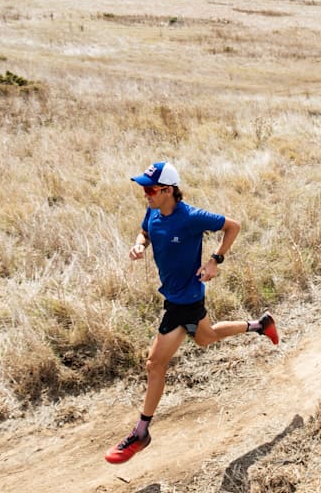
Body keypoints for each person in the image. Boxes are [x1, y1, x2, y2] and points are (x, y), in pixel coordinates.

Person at [105, 161, 279, 464]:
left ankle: (141, 432)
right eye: (144, 189)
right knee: (205, 337)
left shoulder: (191, 217)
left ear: (168, 190)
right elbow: (145, 231)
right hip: (178, 297)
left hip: (184, 300)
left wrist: (215, 260)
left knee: (154, 364)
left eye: (151, 189)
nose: (146, 194)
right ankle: (260, 325)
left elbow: (233, 226)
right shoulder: (153, 211)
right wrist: (139, 245)